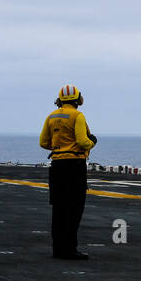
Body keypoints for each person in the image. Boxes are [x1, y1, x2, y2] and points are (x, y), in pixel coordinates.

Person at [39, 84, 97, 259]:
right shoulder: (77, 116)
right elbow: (82, 141)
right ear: (78, 99)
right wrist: (92, 142)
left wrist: (59, 146)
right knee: (74, 209)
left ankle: (58, 248)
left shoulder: (51, 116)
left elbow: (43, 142)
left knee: (59, 209)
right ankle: (70, 249)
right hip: (74, 167)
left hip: (57, 167)